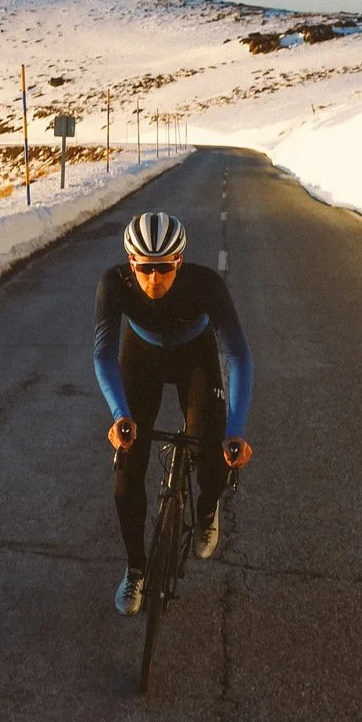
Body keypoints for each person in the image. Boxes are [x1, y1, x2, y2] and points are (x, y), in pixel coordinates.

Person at [93, 210, 253, 615]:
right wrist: (118, 416)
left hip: (194, 357)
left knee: (213, 453)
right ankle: (135, 570)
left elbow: (237, 354)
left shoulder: (206, 285)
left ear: (179, 261)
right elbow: (103, 354)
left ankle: (205, 509)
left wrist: (235, 430)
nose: (154, 278)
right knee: (126, 470)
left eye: (164, 267)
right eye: (145, 268)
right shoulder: (114, 284)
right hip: (140, 358)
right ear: (132, 263)